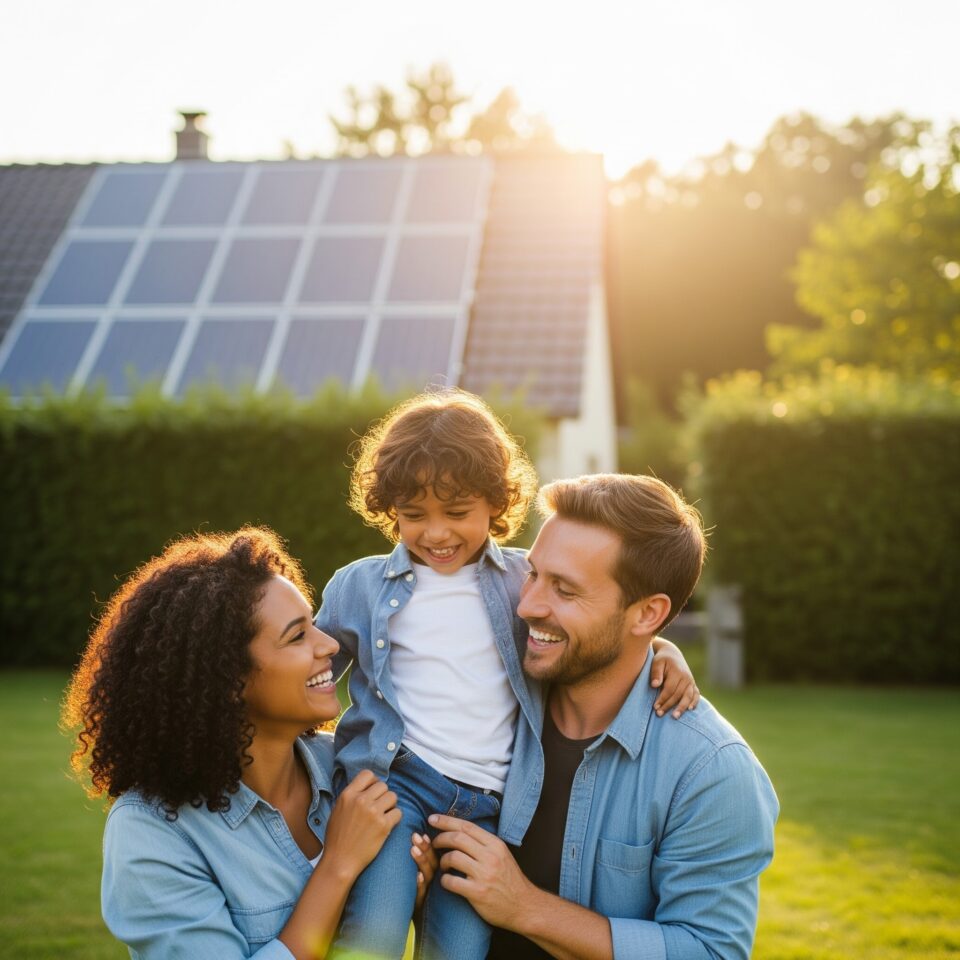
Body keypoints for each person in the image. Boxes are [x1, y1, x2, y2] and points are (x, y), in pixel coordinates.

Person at [318, 392, 700, 960]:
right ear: (389, 507)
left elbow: (593, 623)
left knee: (464, 946)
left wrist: (664, 649)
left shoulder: (522, 579)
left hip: (492, 807)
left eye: (457, 512)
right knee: (373, 932)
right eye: (414, 514)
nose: (436, 533)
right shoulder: (360, 585)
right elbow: (306, 665)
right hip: (396, 787)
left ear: (495, 504)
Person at [429, 473, 779, 960]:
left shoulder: (711, 772)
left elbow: (709, 951)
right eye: (533, 574)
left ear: (647, 614)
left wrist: (524, 906)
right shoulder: (490, 690)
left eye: (565, 591)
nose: (527, 605)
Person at [62, 527, 437, 960]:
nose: (330, 644)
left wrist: (402, 891)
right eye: (297, 636)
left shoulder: (352, 768)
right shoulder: (153, 831)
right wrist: (338, 866)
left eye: (314, 624)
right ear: (226, 680)